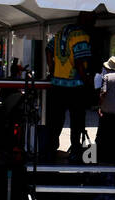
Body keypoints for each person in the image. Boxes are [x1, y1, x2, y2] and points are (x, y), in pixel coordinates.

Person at [44, 11, 94, 163]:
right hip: (75, 86)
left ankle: (50, 151)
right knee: (77, 120)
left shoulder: (62, 31)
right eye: (93, 20)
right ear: (85, 20)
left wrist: (52, 67)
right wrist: (87, 81)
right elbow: (79, 62)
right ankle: (75, 151)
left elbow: (48, 48)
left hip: (57, 84)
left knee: (55, 120)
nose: (94, 24)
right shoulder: (81, 36)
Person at [96, 56, 115, 164]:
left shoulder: (106, 77)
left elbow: (103, 93)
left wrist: (99, 106)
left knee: (103, 135)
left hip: (106, 111)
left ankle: (102, 158)